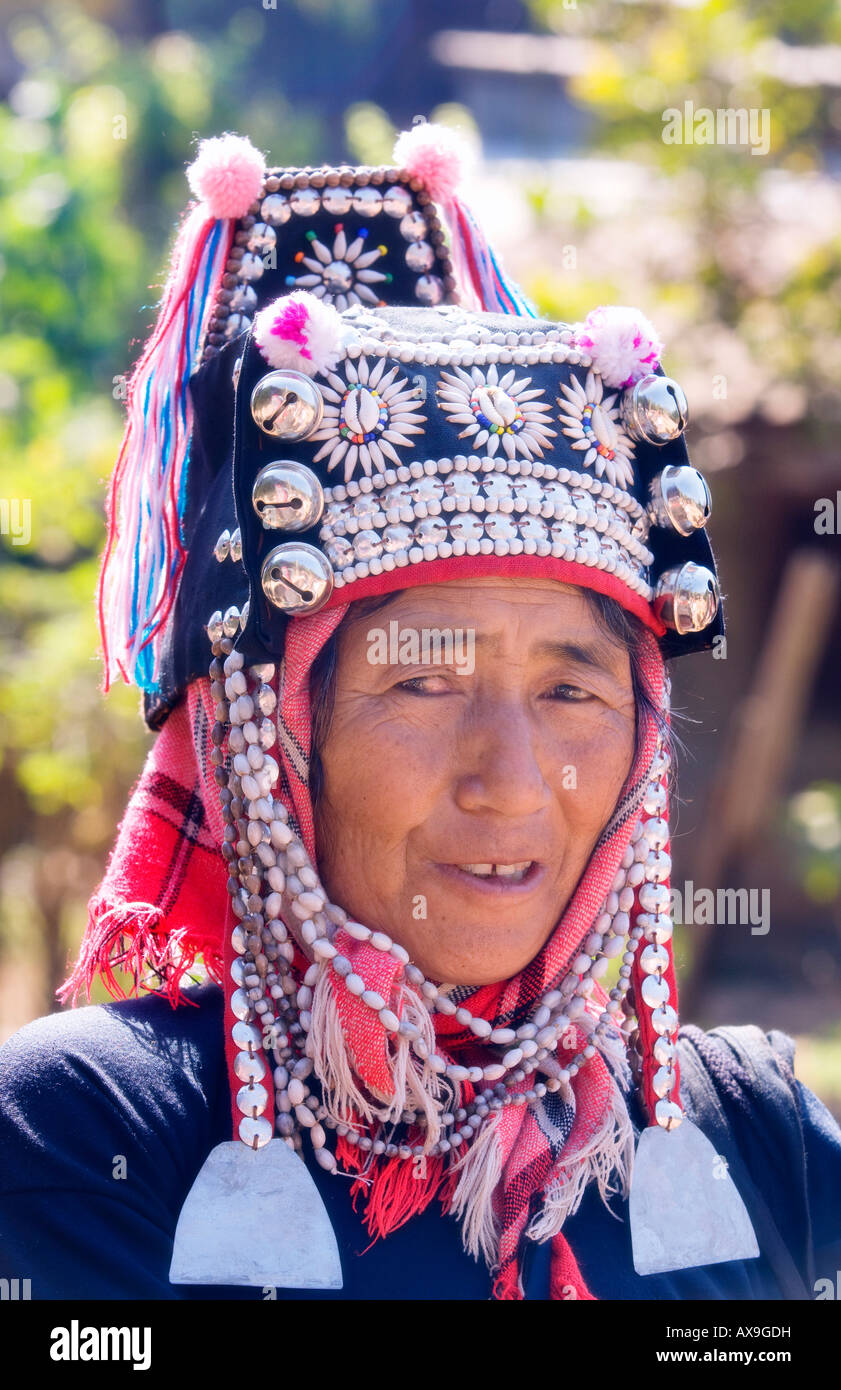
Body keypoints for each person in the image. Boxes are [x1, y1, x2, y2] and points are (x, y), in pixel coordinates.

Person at [1, 126, 839, 1302]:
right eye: (425, 681)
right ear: (280, 745)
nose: (509, 776)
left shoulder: (758, 1140)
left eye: (571, 689)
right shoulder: (86, 1136)